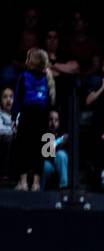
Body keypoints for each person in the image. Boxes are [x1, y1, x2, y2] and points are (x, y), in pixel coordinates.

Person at [12, 47, 53, 192]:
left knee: (23, 149)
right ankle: (36, 183)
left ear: (32, 61)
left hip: (28, 117)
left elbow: (17, 99)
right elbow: (50, 102)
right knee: (38, 151)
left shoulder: (24, 76)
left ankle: (23, 183)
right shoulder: (47, 77)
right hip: (41, 118)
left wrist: (14, 118)